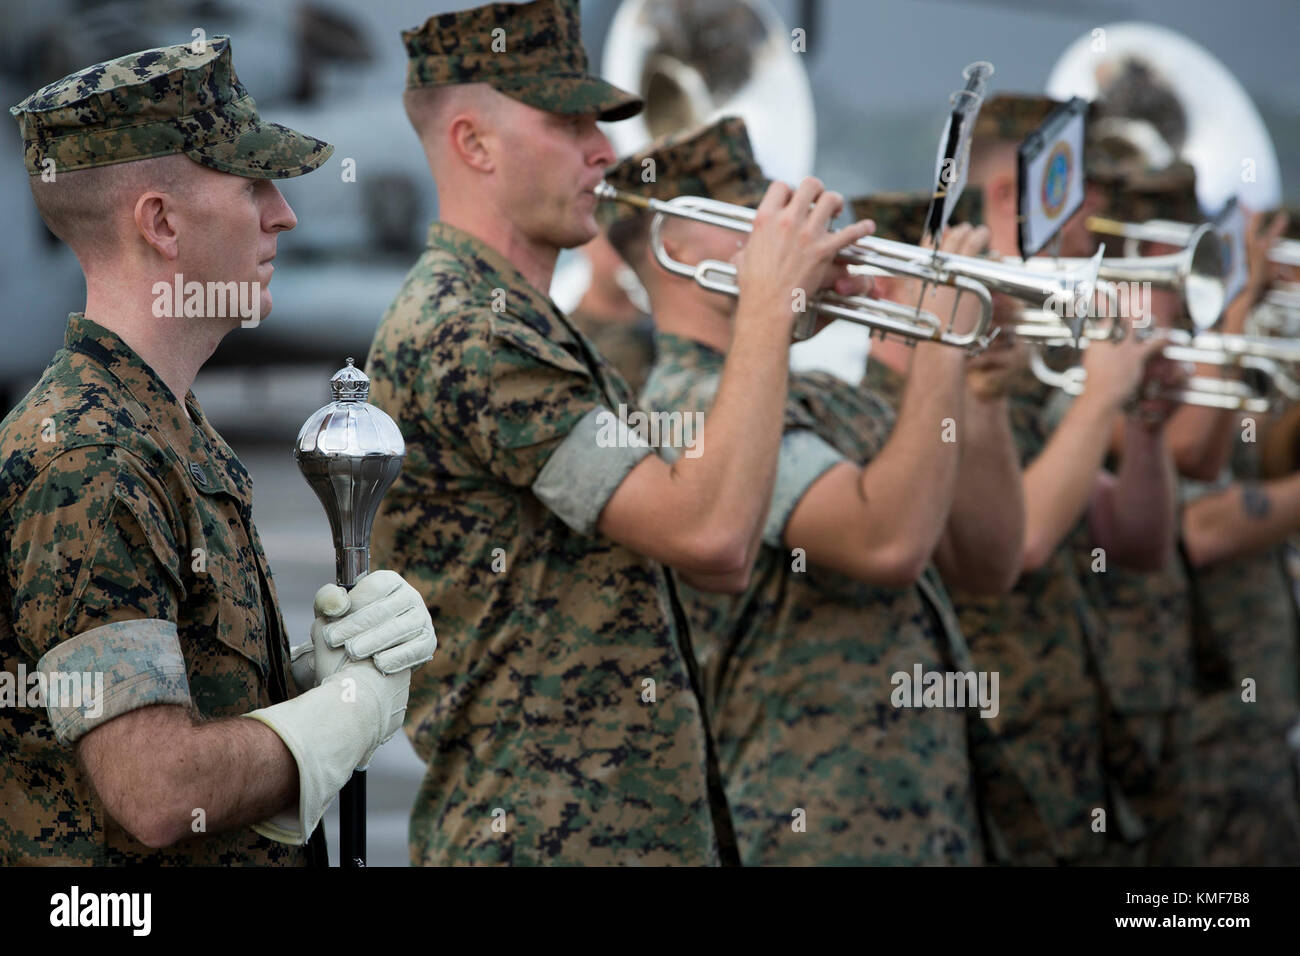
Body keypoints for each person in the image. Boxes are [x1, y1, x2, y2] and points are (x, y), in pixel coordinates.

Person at [364, 0, 872, 866]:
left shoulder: (521, 325)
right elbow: (708, 536)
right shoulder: (471, 330)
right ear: (474, 144)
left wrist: (769, 334)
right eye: (568, 124)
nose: (605, 151)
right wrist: (763, 311)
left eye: (599, 123)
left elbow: (724, 547)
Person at [0, 36, 436, 866]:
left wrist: (302, 681)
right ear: (161, 223)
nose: (285, 215)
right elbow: (157, 791)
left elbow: (187, 698)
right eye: (252, 185)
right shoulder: (94, 459)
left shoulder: (166, 427)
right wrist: (338, 714)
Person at [613, 117, 1025, 865]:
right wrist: (937, 341)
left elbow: (986, 561)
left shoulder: (825, 395)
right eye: (751, 213)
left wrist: (982, 382)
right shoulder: (686, 407)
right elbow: (886, 540)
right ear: (679, 240)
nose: (786, 228)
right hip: (808, 829)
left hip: (929, 822)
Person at [856, 93, 1184, 865]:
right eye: (1079, 188)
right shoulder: (887, 416)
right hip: (1001, 754)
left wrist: (1143, 426)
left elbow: (1135, 540)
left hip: (1081, 742)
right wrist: (1100, 393)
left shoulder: (1010, 368)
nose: (1096, 215)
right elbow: (1025, 540)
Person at [567, 232, 655, 396]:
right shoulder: (567, 335)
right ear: (585, 244)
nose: (624, 255)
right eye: (615, 243)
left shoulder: (659, 326)